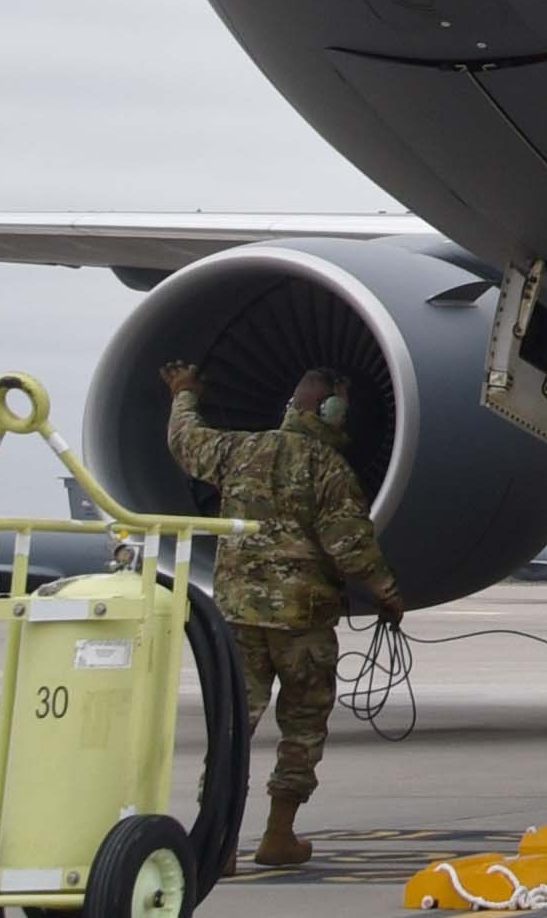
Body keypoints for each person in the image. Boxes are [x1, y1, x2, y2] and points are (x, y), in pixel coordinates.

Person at [163, 360, 404, 869]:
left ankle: (220, 843)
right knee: (302, 728)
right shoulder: (330, 470)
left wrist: (183, 392)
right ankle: (278, 835)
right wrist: (387, 593)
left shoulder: (240, 450)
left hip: (240, 617)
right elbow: (350, 546)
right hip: (302, 623)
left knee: (233, 727)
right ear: (334, 410)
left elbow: (187, 441)